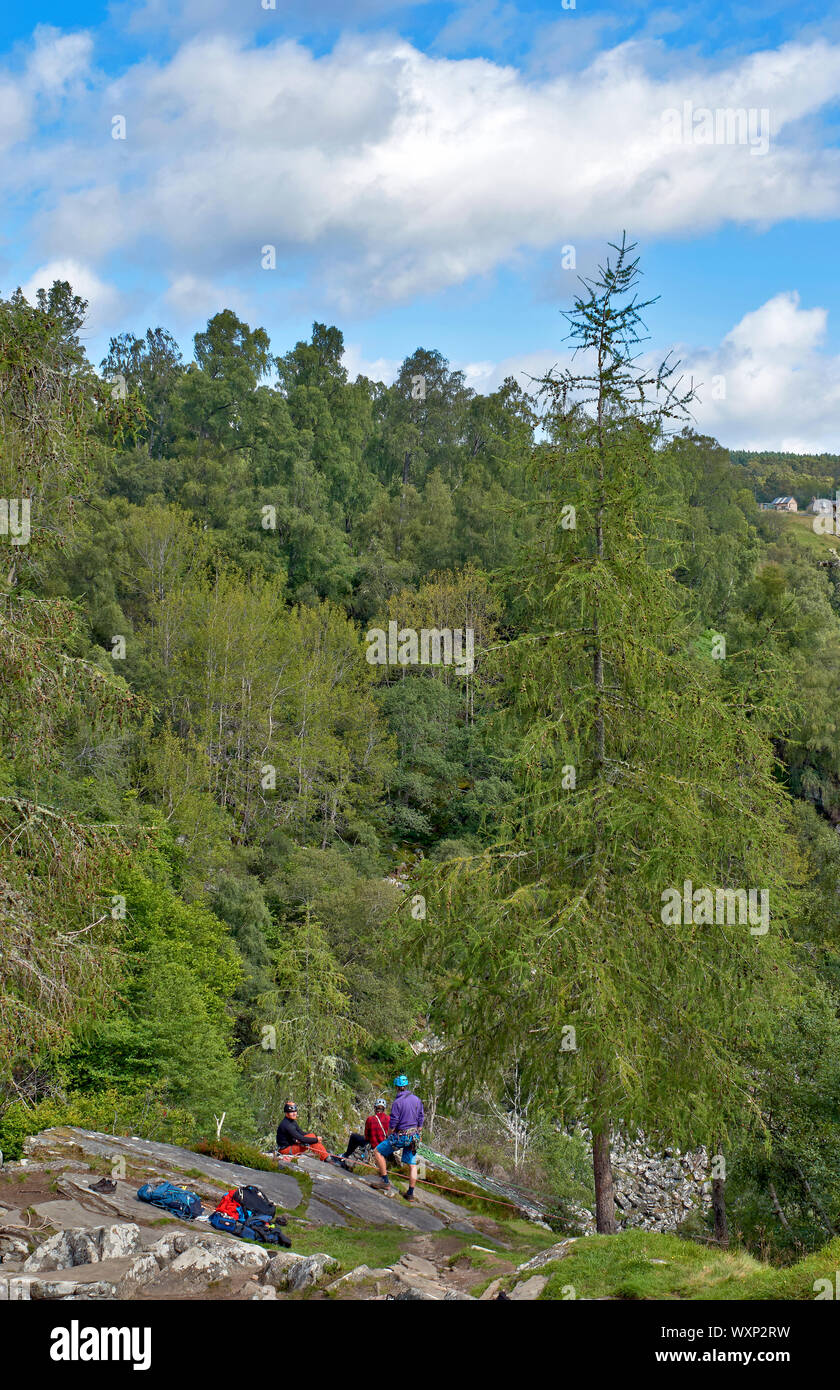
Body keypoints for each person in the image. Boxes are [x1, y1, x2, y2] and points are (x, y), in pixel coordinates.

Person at [373, 1075, 424, 1201]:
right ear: (406, 1086)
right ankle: (410, 1193)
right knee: (412, 1164)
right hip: (414, 1136)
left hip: (401, 1136)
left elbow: (393, 1122)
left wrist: (389, 1134)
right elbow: (421, 1118)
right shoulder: (417, 1100)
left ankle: (385, 1182)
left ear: (396, 1087)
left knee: (378, 1151)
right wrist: (418, 1131)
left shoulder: (397, 1102)